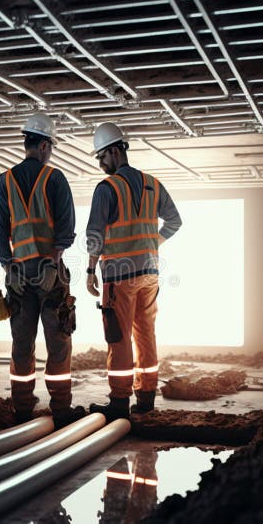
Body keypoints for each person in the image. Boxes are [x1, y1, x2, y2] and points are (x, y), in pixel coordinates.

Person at [0, 112, 86, 428]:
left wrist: (8, 268)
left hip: (19, 277)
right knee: (58, 343)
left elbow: (0, 232)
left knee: (21, 345)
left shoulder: (4, 181)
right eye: (51, 147)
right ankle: (60, 410)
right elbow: (66, 229)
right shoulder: (55, 178)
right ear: (45, 145)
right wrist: (54, 261)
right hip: (50, 275)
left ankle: (22, 410)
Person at [85, 122, 182, 420]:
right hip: (150, 274)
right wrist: (152, 244)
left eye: (102, 156)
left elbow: (95, 234)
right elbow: (174, 221)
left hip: (119, 278)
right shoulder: (153, 184)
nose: (101, 163)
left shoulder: (107, 188)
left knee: (118, 337)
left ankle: (119, 401)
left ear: (115, 152)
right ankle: (146, 397)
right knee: (145, 333)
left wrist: (90, 269)